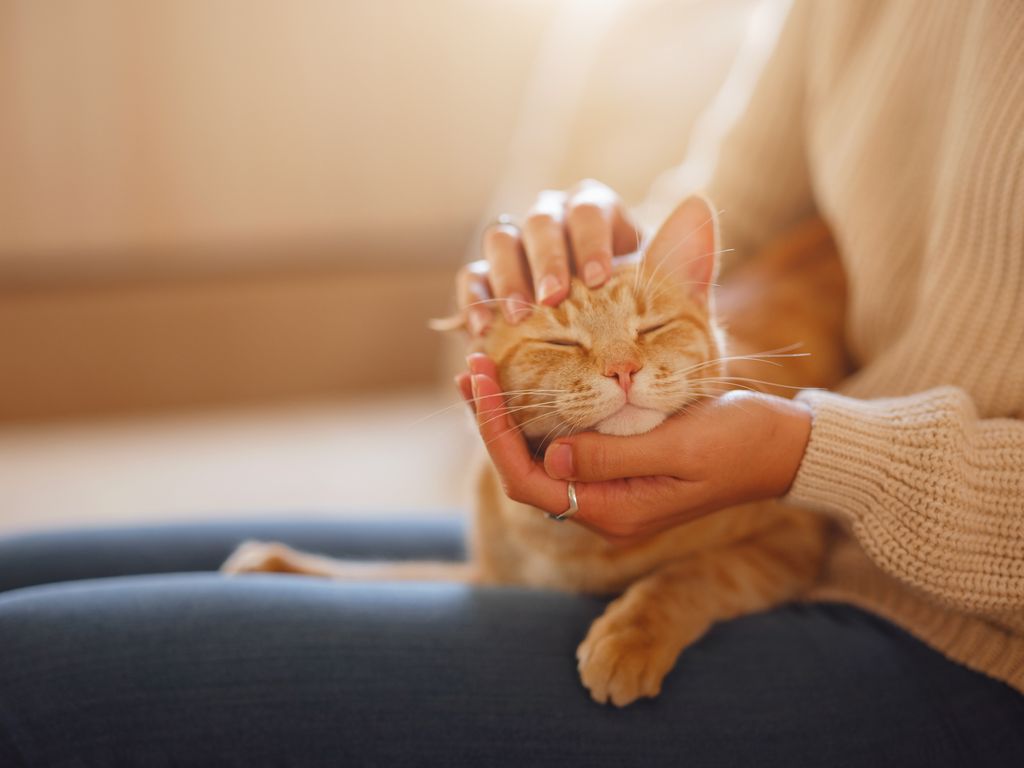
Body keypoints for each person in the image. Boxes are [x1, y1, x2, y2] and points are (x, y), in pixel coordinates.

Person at [1, 2, 1022, 765]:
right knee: (25, 577)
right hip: (801, 502)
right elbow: (721, 224)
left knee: (25, 678)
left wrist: (813, 452)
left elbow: (795, 498)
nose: (613, 373)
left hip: (960, 642)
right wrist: (580, 256)